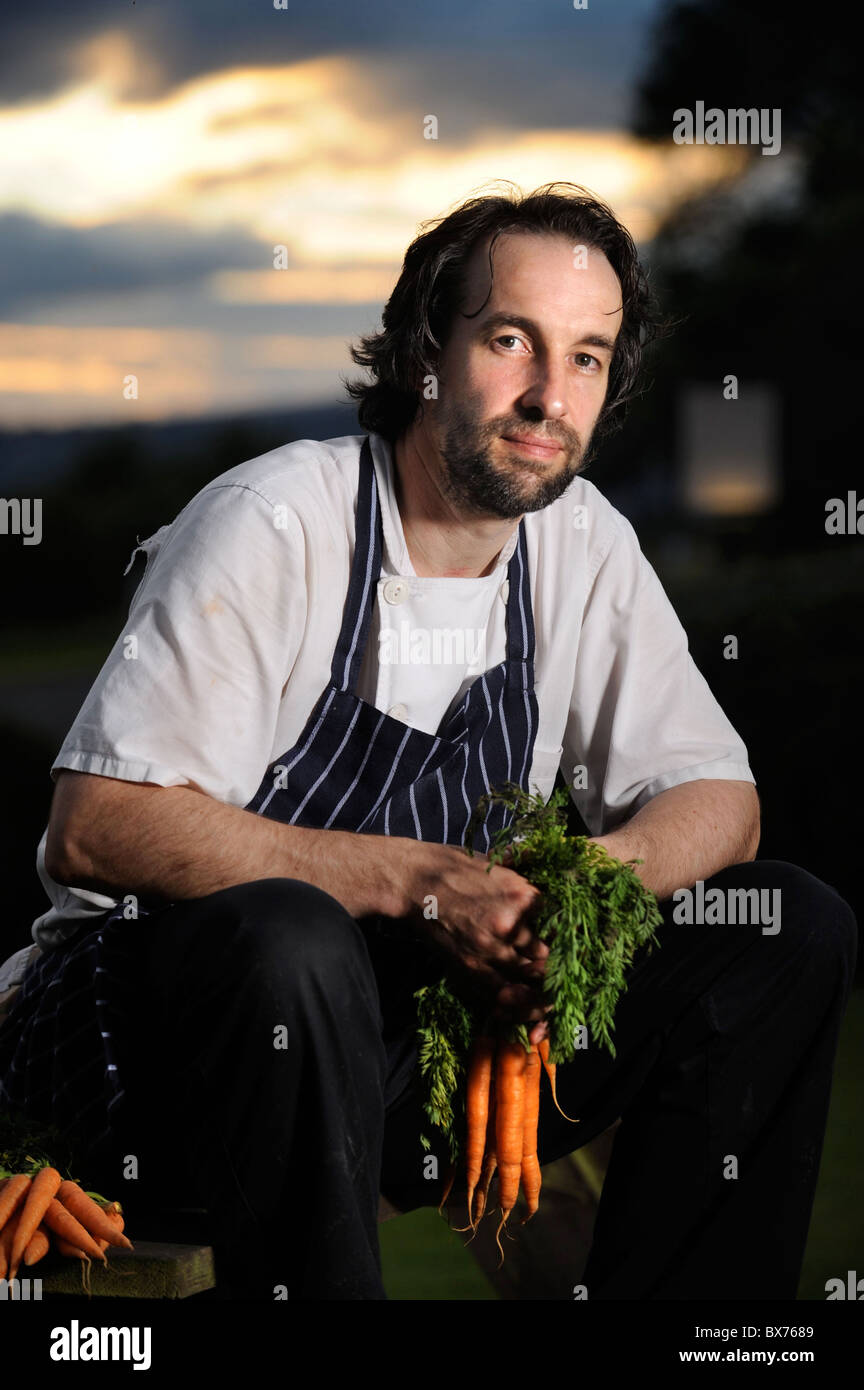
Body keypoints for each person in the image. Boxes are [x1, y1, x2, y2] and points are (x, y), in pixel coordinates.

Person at [0, 182, 856, 1301]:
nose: (550, 395)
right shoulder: (276, 522)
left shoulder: (582, 543)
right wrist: (416, 881)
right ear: (423, 355)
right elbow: (97, 827)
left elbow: (718, 798)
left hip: (412, 1065)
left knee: (787, 924)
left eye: (587, 357)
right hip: (148, 1075)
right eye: (511, 341)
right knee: (292, 932)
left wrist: (572, 897)